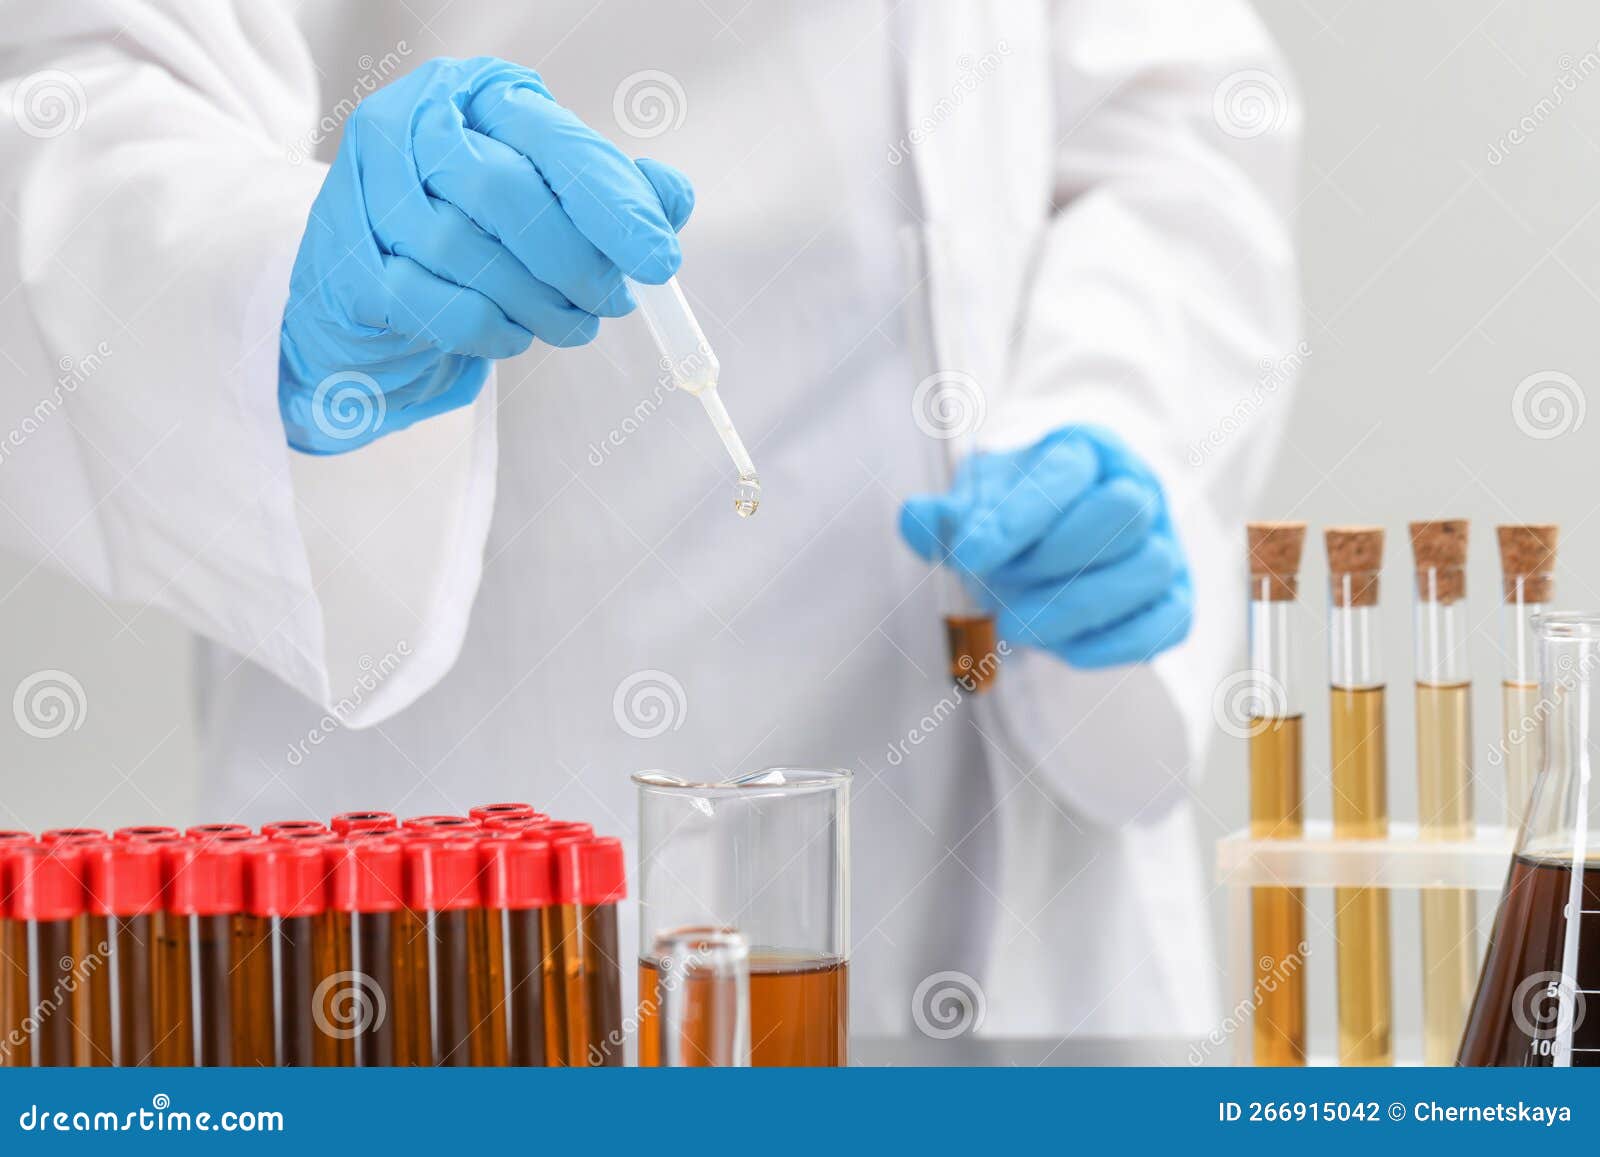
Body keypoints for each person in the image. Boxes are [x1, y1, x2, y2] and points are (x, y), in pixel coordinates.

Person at [0, 1, 1300, 1041]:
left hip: (1039, 933)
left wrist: (1116, 413)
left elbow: (1170, 125)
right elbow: (68, 94)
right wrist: (288, 299)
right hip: (496, 880)